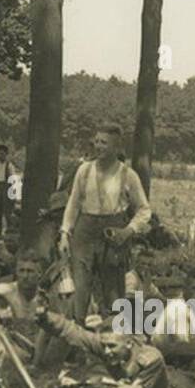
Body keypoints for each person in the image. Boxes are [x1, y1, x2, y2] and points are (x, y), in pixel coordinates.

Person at [58, 122, 152, 320]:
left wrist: (128, 231)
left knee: (113, 293)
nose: (99, 146)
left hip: (113, 234)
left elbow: (144, 210)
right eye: (97, 141)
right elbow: (73, 205)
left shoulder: (128, 175)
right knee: (80, 288)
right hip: (84, 232)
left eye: (105, 143)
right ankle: (78, 335)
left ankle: (112, 339)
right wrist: (65, 233)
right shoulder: (84, 170)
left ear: (117, 147)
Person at [35, 306, 168, 388]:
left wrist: (96, 384)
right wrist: (46, 317)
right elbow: (73, 332)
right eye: (103, 345)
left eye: (111, 346)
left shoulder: (151, 360)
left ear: (128, 343)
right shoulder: (108, 345)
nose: (106, 351)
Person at [0, 144, 19, 234]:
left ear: (6, 155)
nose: (0, 156)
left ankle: (10, 233)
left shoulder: (10, 166)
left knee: (8, 213)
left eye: (2, 154)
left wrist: (15, 193)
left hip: (7, 189)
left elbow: (14, 180)